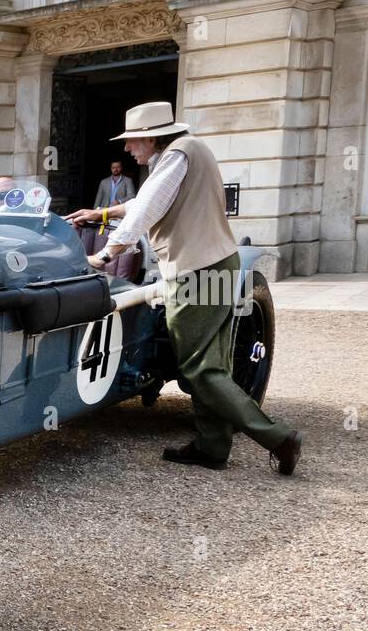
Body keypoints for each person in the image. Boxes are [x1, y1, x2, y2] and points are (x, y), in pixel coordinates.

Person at [66, 102, 302, 476]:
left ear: (153, 138)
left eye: (132, 141)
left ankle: (278, 437)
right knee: (214, 364)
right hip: (220, 263)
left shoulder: (176, 155)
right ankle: (212, 447)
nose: (128, 149)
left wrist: (107, 254)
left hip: (194, 272)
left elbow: (147, 209)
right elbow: (149, 200)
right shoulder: (192, 149)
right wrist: (102, 214)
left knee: (197, 371)